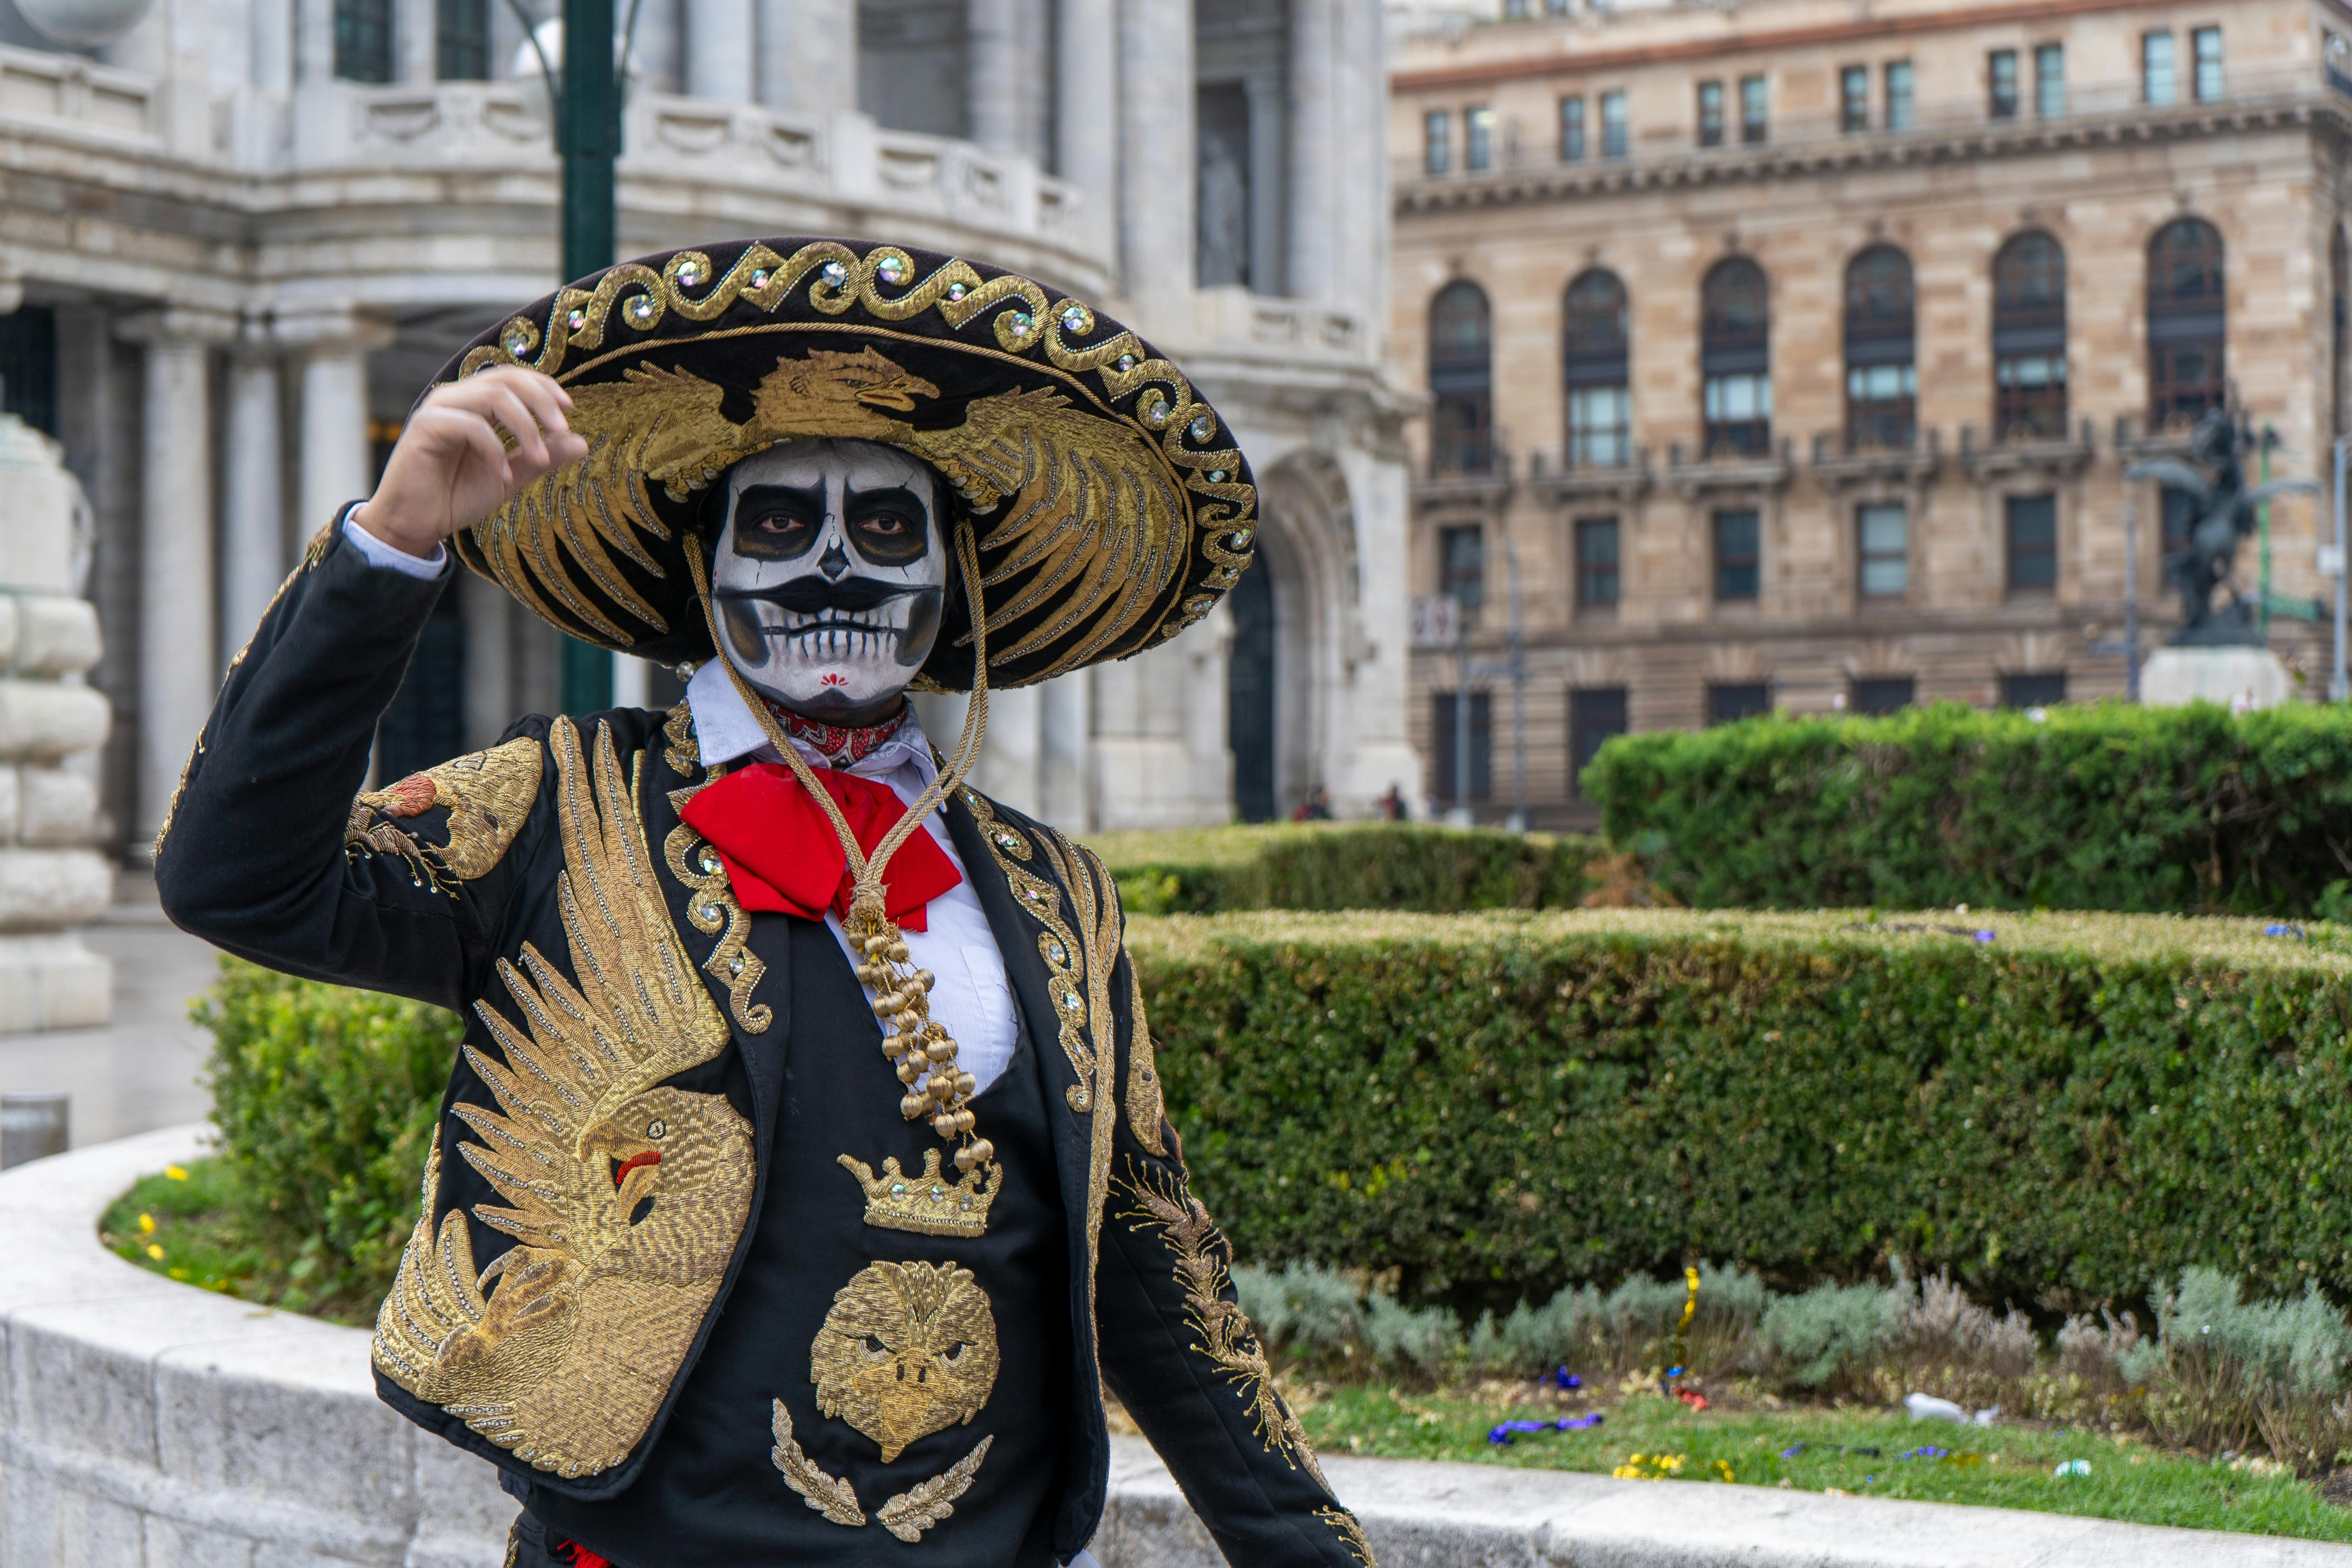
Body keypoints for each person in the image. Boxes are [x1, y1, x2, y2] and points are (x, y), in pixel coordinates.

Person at [156, 237, 1374, 1568]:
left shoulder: (1053, 893)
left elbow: (1148, 1261)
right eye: (783, 525)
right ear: (708, 571)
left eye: (888, 530)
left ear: (951, 580)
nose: (838, 571)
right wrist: (385, 554)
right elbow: (239, 876)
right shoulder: (564, 807)